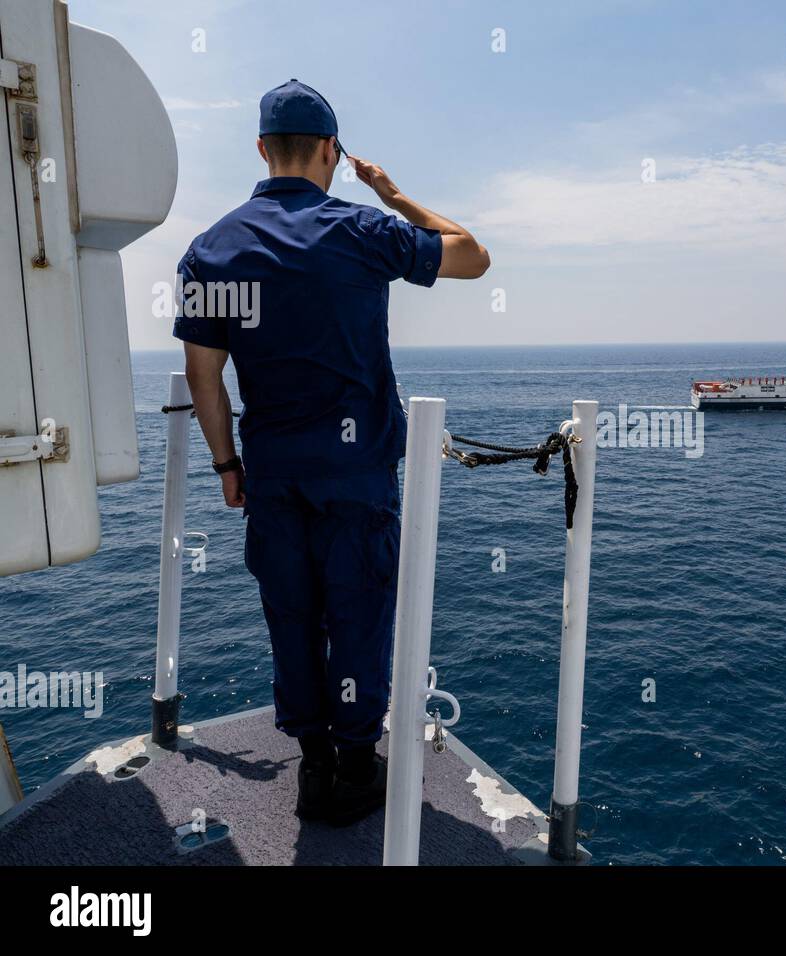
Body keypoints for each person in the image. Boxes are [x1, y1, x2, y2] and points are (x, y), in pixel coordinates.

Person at [173, 79, 490, 826]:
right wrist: (394, 193)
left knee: (291, 612)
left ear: (261, 149)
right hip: (356, 473)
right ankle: (354, 762)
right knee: (356, 612)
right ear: (330, 151)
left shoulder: (211, 250)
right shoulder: (359, 230)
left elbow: (203, 374)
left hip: (273, 473)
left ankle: (313, 763)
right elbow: (473, 257)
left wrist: (227, 467)